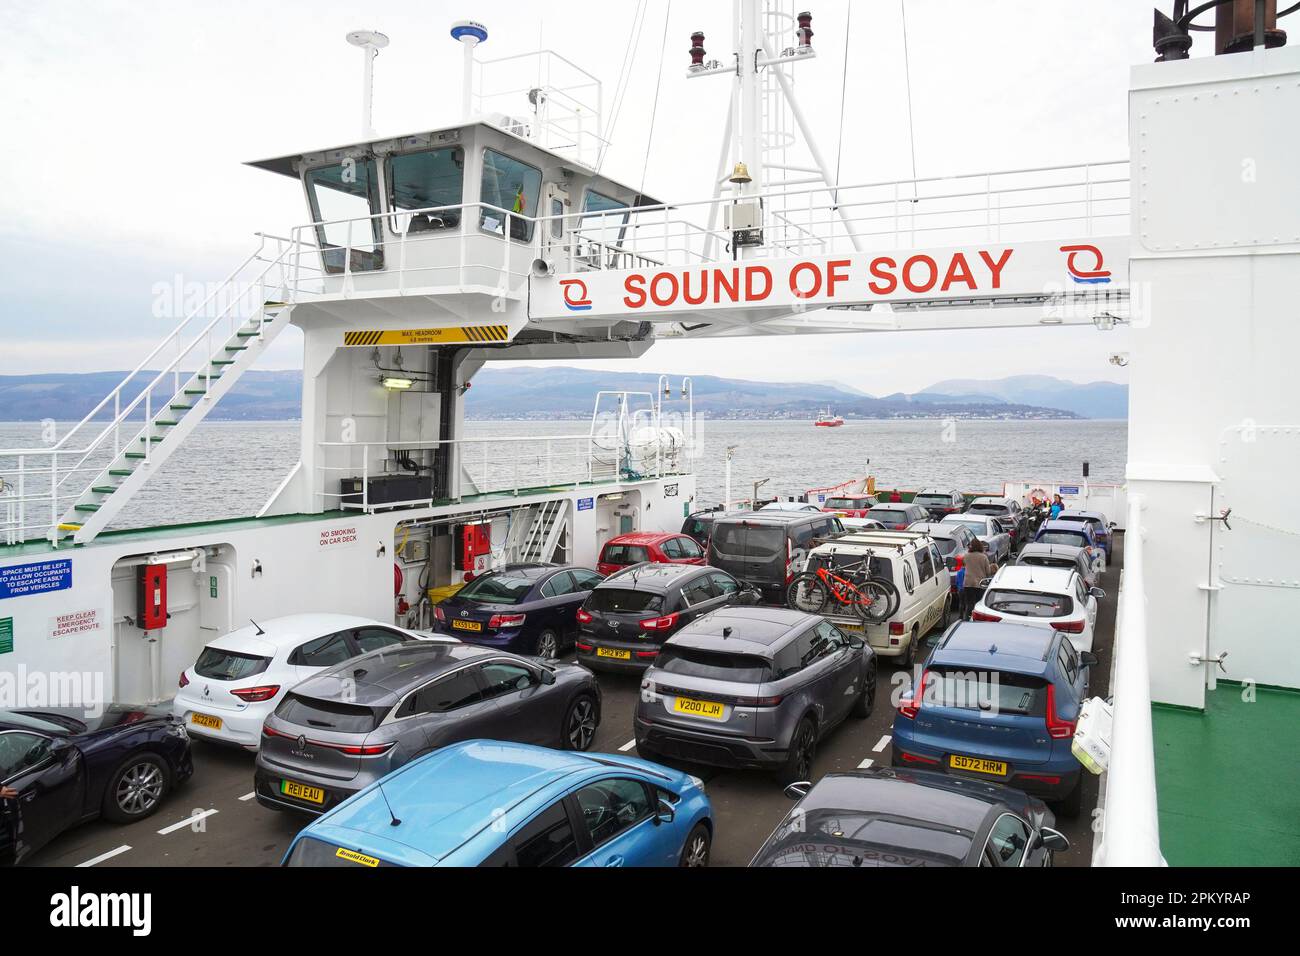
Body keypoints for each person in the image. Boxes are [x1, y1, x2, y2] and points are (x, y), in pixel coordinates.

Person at [961, 539, 998, 620]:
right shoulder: (983, 557)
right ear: (980, 546)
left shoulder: (966, 556)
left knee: (969, 604)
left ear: (971, 546)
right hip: (980, 584)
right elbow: (988, 572)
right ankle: (976, 620)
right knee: (978, 604)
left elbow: (964, 565)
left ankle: (966, 620)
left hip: (968, 583)